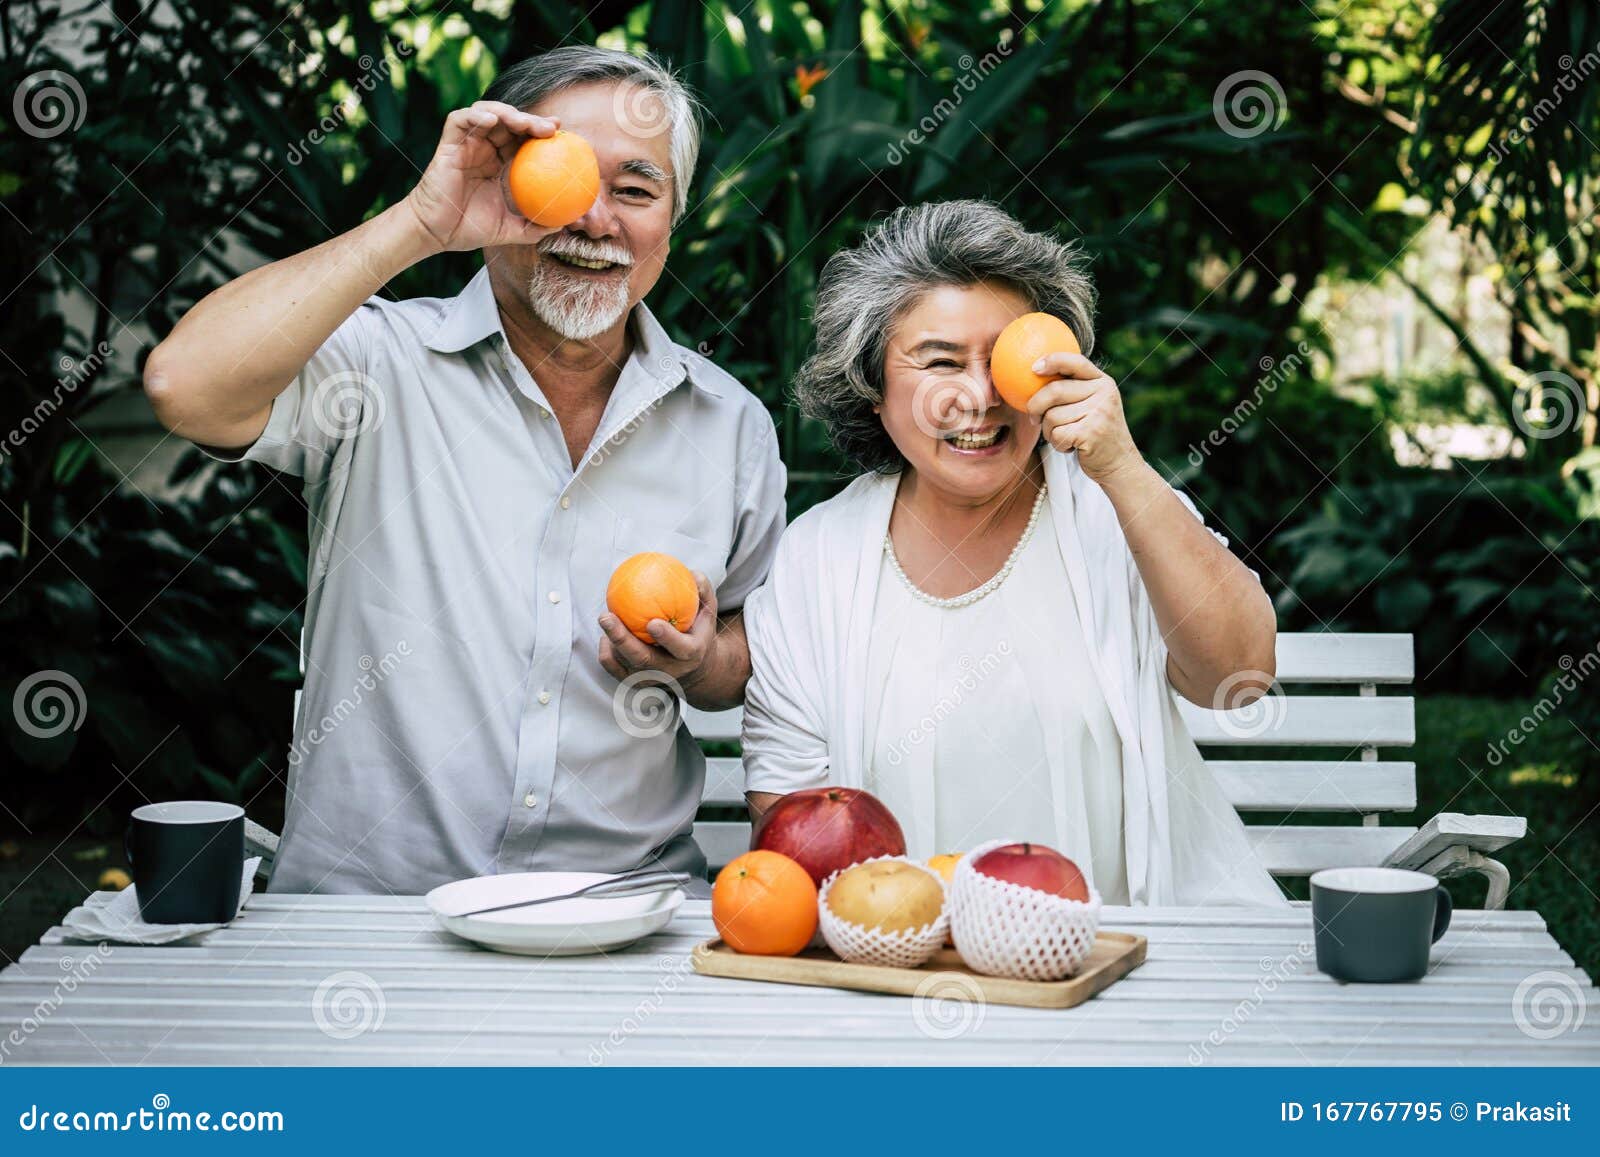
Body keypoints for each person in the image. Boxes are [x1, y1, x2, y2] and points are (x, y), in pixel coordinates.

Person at [143, 47, 785, 896]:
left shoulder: (728, 424)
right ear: (503, 186)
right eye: (564, 179)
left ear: (673, 218)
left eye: (636, 190)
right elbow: (183, 387)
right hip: (372, 918)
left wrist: (698, 662)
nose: (596, 220)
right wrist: (422, 221)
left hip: (625, 913)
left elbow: (748, 648)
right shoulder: (378, 365)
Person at [740, 200, 1284, 906]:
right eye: (941, 362)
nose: (981, 397)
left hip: (1123, 950)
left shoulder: (1115, 513)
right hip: (902, 948)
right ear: (873, 386)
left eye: (1005, 361)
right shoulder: (817, 557)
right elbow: (792, 825)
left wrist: (1122, 467)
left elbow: (1238, 676)